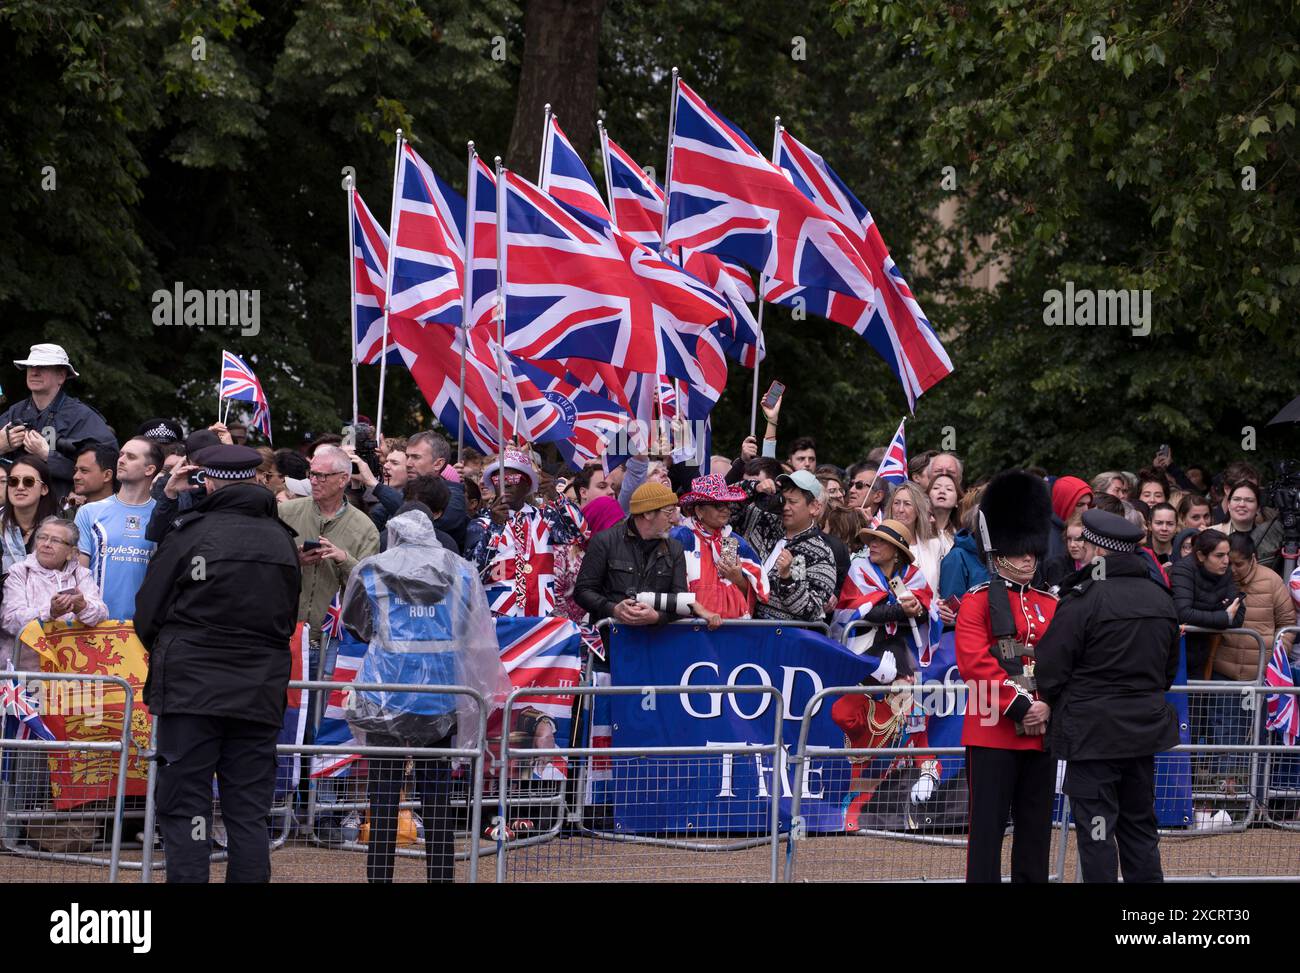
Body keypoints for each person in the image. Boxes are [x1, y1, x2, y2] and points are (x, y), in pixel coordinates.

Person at [134, 445, 301, 883]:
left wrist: (178, 646)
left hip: (192, 690)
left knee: (188, 807)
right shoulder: (281, 539)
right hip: (256, 690)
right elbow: (286, 618)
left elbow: (147, 611)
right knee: (247, 812)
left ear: (207, 481)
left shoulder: (191, 532)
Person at [341, 508, 508, 883]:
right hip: (441, 696)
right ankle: (441, 877)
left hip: (385, 696)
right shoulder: (463, 571)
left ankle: (380, 877)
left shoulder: (370, 570)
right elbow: (471, 629)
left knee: (382, 800)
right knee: (437, 801)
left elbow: (356, 626)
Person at [1035, 509, 1181, 883]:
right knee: (1139, 831)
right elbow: (1166, 673)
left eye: (1086, 545)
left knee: (1098, 835)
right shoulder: (1161, 598)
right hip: (1140, 734)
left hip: (1093, 736)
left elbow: (1051, 669)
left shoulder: (1085, 598)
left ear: (1100, 550)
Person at [953, 471, 1058, 883]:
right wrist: (1022, 705)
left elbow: (1060, 659)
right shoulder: (977, 602)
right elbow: (975, 663)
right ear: (998, 553)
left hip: (1040, 730)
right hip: (992, 730)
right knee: (987, 834)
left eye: (1032, 550)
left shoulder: (1048, 603)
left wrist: (1045, 703)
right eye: (1019, 551)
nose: (1029, 557)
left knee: (1035, 834)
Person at [573, 482, 718, 659]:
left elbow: (680, 600)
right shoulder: (605, 542)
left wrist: (657, 617)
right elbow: (582, 591)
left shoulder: (674, 549)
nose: (675, 519)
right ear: (648, 513)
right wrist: (614, 609)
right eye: (668, 512)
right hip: (610, 649)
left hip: (656, 648)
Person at [277, 444, 380, 679]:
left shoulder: (365, 529)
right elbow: (263, 566)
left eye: (322, 475)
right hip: (287, 636)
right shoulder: (285, 512)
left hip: (333, 642)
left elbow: (370, 589)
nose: (314, 481)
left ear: (343, 479)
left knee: (321, 712)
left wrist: (344, 560)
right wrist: (295, 559)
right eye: (312, 474)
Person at [1205, 534, 1296, 789]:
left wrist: (1276, 657)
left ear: (1253, 559)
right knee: (1223, 730)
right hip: (1225, 670)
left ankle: (1254, 796)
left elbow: (1288, 624)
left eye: (1238, 564)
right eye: (1226, 561)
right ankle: (1223, 794)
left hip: (1261, 673)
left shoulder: (1272, 581)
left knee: (1257, 735)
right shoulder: (1215, 579)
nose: (1231, 569)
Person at [470, 447, 588, 617]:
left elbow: (580, 533)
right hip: (497, 618)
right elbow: (475, 573)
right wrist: (495, 527)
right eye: (498, 478)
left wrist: (557, 497)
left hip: (540, 615)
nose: (506, 482)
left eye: (513, 477)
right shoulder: (481, 523)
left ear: (527, 485)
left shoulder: (545, 518)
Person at [0, 344, 117, 501]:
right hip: (14, 512)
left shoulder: (82, 417)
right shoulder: (14, 412)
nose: (34, 372)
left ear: (61, 376)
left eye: (43, 367)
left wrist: (48, 456)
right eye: (31, 367)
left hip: (61, 513)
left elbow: (108, 469)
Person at [1, 517, 107, 668]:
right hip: (27, 672)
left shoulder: (81, 575)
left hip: (71, 671)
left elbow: (102, 615)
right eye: (42, 537)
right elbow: (9, 620)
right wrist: (49, 612)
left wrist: (82, 607)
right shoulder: (20, 571)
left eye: (55, 540)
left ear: (72, 552)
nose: (46, 544)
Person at [74, 438, 159, 621]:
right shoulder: (89, 511)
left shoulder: (162, 515)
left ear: (149, 469)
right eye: (121, 454)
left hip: (142, 628)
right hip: (95, 624)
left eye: (131, 457)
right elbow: (79, 575)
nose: (121, 460)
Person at [739, 470, 838, 623]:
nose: (785, 507)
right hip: (738, 628)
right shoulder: (763, 522)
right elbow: (722, 507)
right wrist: (753, 488)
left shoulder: (819, 553)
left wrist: (788, 578)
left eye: (792, 502)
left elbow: (811, 611)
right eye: (783, 500)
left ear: (814, 507)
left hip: (779, 638)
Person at [671, 474, 769, 619]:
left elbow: (759, 591)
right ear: (699, 511)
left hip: (733, 629)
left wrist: (738, 579)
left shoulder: (732, 541)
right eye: (718, 505)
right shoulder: (682, 537)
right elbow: (668, 587)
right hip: (692, 628)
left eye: (727, 504)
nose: (726, 510)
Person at [400, 432, 468, 548]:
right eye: (407, 457)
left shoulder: (454, 496)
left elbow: (433, 524)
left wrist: (377, 487)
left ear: (438, 464)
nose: (408, 463)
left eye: (416, 457)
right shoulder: (403, 490)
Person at [2, 455, 59, 580]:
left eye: (28, 481)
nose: (20, 487)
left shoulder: (59, 531)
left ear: (44, 489)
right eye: (13, 481)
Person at [890, 480, 943, 593]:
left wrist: (939, 603)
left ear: (918, 510)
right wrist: (908, 603)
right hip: (898, 608)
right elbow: (889, 579)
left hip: (931, 608)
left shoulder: (934, 545)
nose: (900, 509)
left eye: (907, 504)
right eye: (896, 503)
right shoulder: (882, 542)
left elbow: (938, 586)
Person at [1221, 481, 1283, 574]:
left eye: (1249, 500)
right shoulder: (1214, 534)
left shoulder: (1270, 534)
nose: (1242, 504)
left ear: (1258, 507)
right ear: (1229, 504)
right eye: (1236, 499)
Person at [66, 445, 118, 513]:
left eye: (84, 470)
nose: (75, 477)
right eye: (76, 470)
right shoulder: (70, 511)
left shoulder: (125, 514)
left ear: (107, 475)